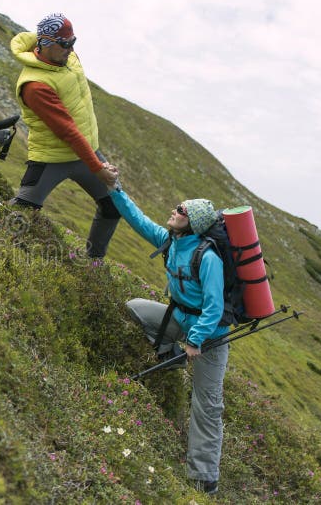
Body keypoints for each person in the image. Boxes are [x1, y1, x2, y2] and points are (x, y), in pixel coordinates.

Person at [106, 181, 230, 495]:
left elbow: (214, 308)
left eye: (180, 210)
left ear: (193, 223)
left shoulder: (208, 258)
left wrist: (196, 340)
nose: (174, 211)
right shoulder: (171, 241)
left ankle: (204, 478)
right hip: (179, 319)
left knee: (207, 404)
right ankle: (171, 356)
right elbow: (138, 220)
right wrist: (115, 189)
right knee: (134, 308)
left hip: (211, 336)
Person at [9, 13, 120, 258]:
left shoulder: (69, 57)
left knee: (114, 207)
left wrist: (95, 160)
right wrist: (97, 168)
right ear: (46, 43)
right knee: (22, 211)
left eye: (73, 42)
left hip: (86, 152)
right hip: (51, 158)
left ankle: (93, 264)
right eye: (64, 44)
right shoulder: (35, 85)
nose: (71, 49)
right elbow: (67, 130)